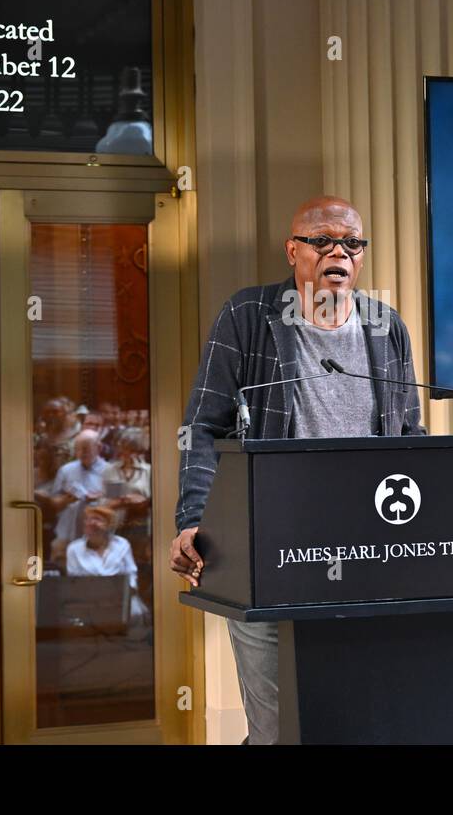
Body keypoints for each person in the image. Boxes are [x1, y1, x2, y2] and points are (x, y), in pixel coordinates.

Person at [168, 195, 427, 744]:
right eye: (323, 241)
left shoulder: (386, 327)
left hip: (370, 552)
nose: (340, 252)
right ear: (293, 250)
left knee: (359, 720)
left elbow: (410, 440)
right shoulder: (248, 315)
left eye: (353, 243)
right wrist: (194, 520)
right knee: (281, 728)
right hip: (270, 551)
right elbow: (205, 429)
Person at [40, 430, 109, 563]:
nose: (81, 453)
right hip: (66, 532)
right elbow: (53, 503)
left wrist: (99, 498)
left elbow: (115, 502)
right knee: (60, 568)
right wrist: (66, 499)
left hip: (97, 535)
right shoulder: (66, 470)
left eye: (86, 448)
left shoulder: (109, 471)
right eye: (78, 449)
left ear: (98, 448)